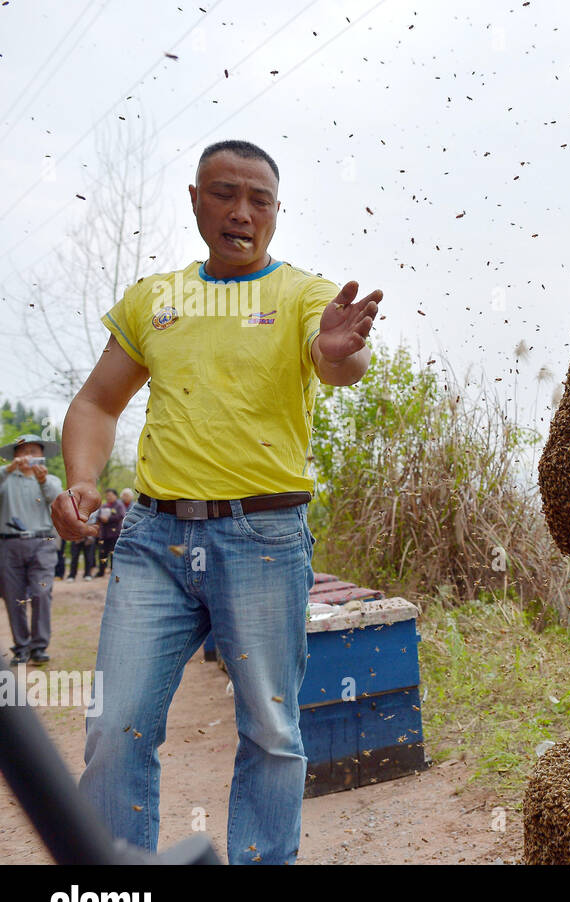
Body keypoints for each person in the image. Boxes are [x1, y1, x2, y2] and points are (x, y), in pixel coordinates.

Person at [53, 139, 382, 865]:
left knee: (271, 732)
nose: (241, 211)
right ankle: (119, 887)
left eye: (259, 199)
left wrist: (337, 348)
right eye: (224, 193)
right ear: (196, 201)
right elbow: (96, 402)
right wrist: (81, 477)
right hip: (152, 543)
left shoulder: (300, 294)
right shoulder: (155, 298)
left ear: (275, 212)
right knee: (116, 727)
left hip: (264, 539)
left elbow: (341, 362)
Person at [0, 434, 63, 665]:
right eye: (22, 451)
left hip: (42, 543)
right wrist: (7, 470)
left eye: (33, 452)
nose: (28, 456)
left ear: (41, 456)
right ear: (15, 455)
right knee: (13, 596)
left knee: (41, 592)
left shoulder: (51, 480)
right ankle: (22, 646)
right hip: (8, 543)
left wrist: (43, 481)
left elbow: (57, 501)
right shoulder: (5, 479)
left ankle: (39, 646)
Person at [94, 488, 125, 577]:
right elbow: (98, 516)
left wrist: (109, 519)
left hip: (114, 534)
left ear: (115, 496)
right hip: (104, 534)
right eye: (107, 495)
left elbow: (121, 515)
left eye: (110, 495)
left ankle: (113, 571)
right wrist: (101, 519)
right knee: (102, 553)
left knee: (113, 553)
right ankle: (101, 571)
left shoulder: (119, 505)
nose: (108, 497)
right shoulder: (104, 506)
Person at [67, 514, 98, 581]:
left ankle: (87, 574)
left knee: (88, 556)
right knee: (74, 556)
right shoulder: (74, 509)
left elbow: (94, 523)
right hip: (76, 536)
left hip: (89, 537)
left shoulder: (93, 510)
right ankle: (72, 575)